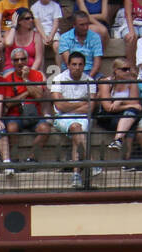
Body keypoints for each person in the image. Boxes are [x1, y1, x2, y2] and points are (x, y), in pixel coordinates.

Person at [50, 49, 98, 187]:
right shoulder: (58, 79)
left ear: (84, 65)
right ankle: (92, 163)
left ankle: (76, 175)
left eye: (80, 64)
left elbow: (90, 108)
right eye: (74, 64)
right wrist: (81, 102)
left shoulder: (90, 81)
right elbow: (59, 107)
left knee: (77, 130)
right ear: (68, 65)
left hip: (83, 117)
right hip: (62, 117)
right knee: (77, 128)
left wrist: (69, 104)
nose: (77, 67)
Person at [2, 45, 49, 161]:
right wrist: (27, 93)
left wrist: (26, 79)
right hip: (16, 115)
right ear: (12, 62)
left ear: (27, 60)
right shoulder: (8, 79)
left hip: (34, 114)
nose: (20, 62)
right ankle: (15, 159)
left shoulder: (37, 75)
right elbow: (8, 103)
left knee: (45, 129)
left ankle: (31, 158)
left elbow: (39, 96)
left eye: (23, 59)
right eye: (16, 60)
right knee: (11, 127)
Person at [97, 56, 140, 153]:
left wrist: (120, 101)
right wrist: (128, 105)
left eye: (129, 69)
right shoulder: (106, 82)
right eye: (125, 69)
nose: (128, 72)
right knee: (130, 122)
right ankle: (126, 163)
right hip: (108, 117)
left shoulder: (132, 82)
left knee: (130, 115)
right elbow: (108, 107)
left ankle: (117, 140)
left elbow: (135, 102)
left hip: (126, 115)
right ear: (116, 70)